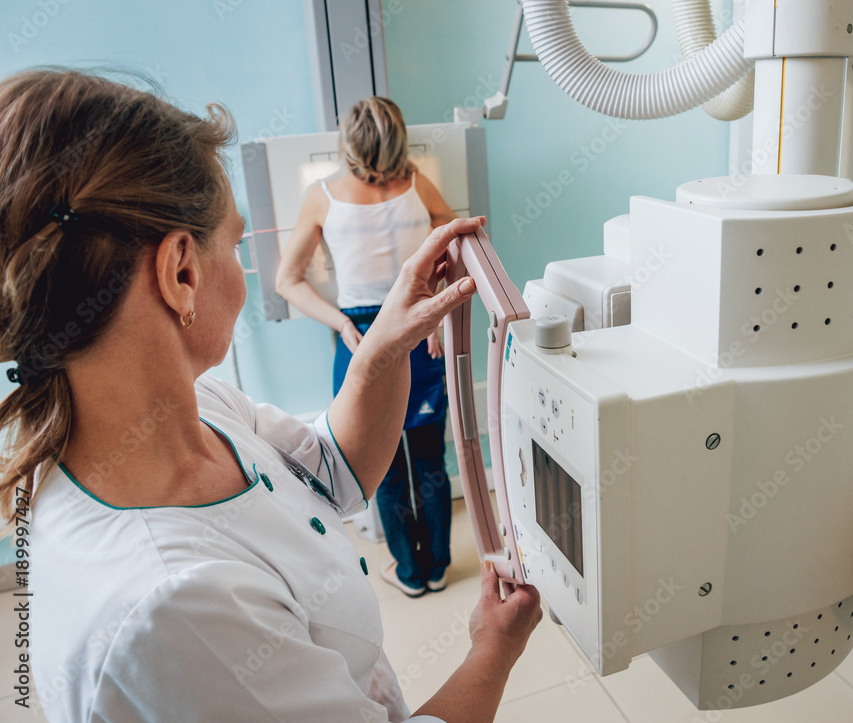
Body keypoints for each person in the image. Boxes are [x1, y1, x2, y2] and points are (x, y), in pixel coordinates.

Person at [0, 69, 541, 723]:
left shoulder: (202, 410)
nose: (244, 264)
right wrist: (493, 646)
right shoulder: (176, 609)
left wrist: (387, 338)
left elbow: (331, 465)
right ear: (181, 272)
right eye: (234, 241)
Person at [276, 97, 457, 597]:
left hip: (361, 337)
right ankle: (438, 566)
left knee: (381, 464)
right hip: (418, 327)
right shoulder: (416, 182)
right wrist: (437, 312)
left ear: (347, 143)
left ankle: (410, 573)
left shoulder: (321, 195)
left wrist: (339, 322)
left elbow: (287, 280)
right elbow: (461, 243)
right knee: (429, 457)